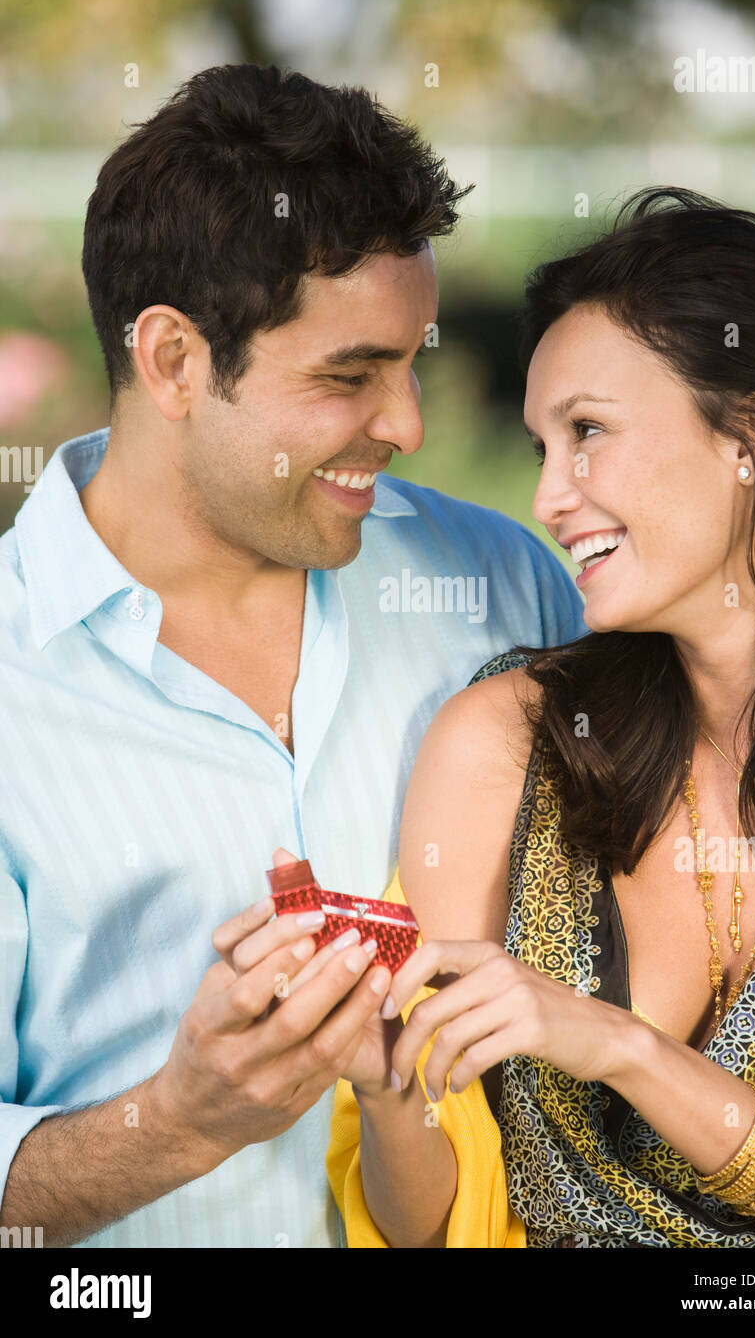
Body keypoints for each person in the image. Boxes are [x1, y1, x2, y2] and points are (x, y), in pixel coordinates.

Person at [0, 64, 584, 1249]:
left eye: (411, 360)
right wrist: (178, 1120)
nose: (409, 424)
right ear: (170, 360)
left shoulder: (504, 587)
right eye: (346, 375)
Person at [329, 187, 755, 1248]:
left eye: (586, 432)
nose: (547, 497)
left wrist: (622, 1049)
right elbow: (433, 1227)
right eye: (539, 447)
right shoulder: (505, 739)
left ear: (750, 437)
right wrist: (393, 1096)